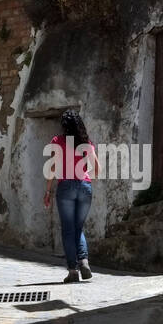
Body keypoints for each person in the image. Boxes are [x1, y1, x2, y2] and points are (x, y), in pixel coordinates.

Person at [43, 110, 100, 283]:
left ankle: (73, 271)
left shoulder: (57, 141)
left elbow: (52, 169)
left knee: (68, 230)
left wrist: (47, 191)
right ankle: (84, 261)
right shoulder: (87, 143)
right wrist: (83, 177)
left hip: (66, 187)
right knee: (78, 228)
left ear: (64, 126)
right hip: (85, 186)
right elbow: (97, 170)